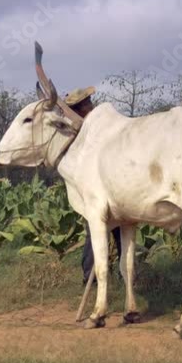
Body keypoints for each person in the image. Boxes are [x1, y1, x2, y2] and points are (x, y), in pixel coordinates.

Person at [65, 87, 124, 285]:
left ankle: (122, 275)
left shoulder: (100, 125)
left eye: (88, 102)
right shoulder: (80, 130)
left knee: (121, 232)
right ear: (79, 108)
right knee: (97, 232)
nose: (89, 105)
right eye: (85, 104)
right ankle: (91, 276)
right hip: (97, 189)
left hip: (116, 187)